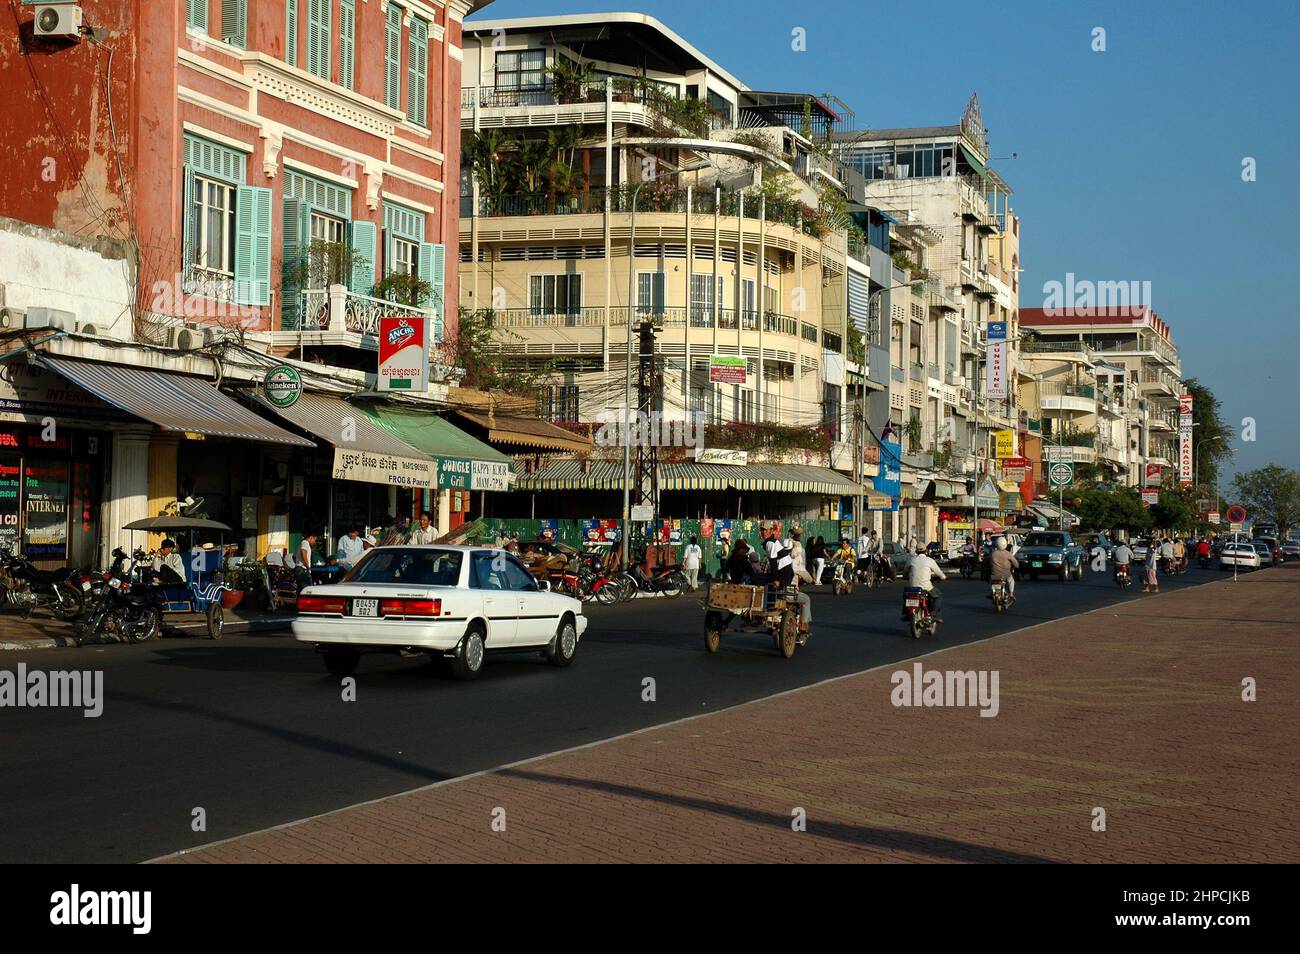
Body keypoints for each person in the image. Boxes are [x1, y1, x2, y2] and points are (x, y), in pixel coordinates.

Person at [904, 543, 946, 622]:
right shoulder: (930, 560)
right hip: (926, 587)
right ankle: (934, 614)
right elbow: (939, 573)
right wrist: (943, 577)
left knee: (906, 596)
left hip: (912, 588)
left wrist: (906, 576)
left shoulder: (911, 559)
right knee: (938, 596)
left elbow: (905, 571)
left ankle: (907, 613)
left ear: (916, 551)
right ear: (926, 551)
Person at [988, 537, 1019, 603]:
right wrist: (1016, 566)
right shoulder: (1007, 553)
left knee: (991, 580)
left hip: (994, 575)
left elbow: (986, 561)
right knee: (1011, 581)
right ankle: (1011, 593)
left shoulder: (993, 553)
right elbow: (1016, 563)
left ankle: (991, 592)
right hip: (1006, 575)